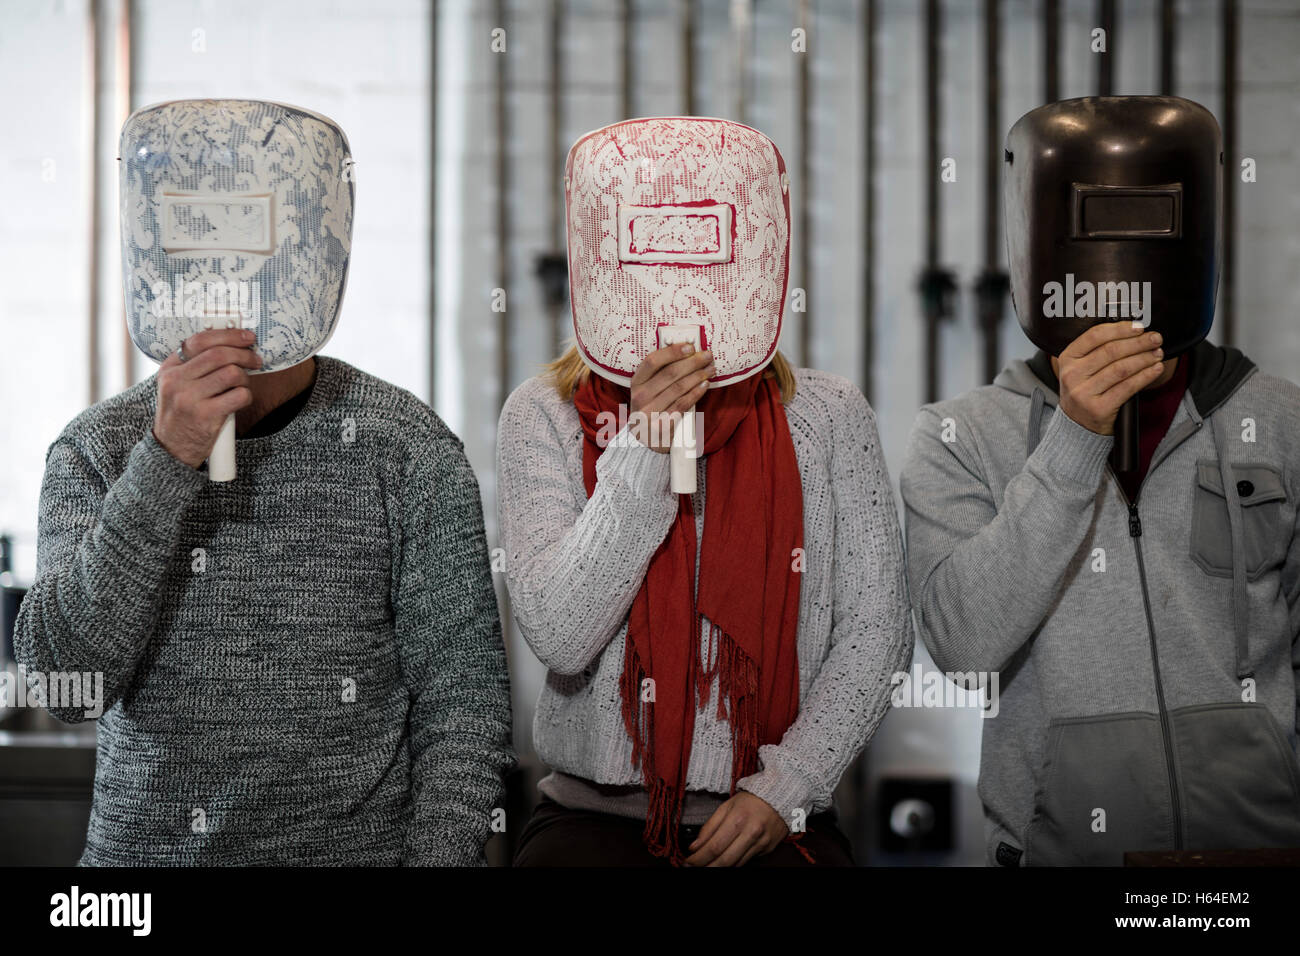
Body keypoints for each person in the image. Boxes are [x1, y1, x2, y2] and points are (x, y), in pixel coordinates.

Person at [15, 329, 515, 865]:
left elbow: (465, 704)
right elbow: (64, 689)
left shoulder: (405, 445)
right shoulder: (97, 447)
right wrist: (166, 459)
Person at [901, 321, 1300, 865]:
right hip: (1060, 854)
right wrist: (1073, 439)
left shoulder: (1280, 417)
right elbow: (964, 650)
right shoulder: (959, 434)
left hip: (1258, 856)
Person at [498, 342, 913, 866]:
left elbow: (877, 629)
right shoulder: (544, 409)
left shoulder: (828, 412)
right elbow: (561, 637)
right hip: (592, 819)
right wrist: (646, 447)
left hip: (776, 816)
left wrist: (786, 788)